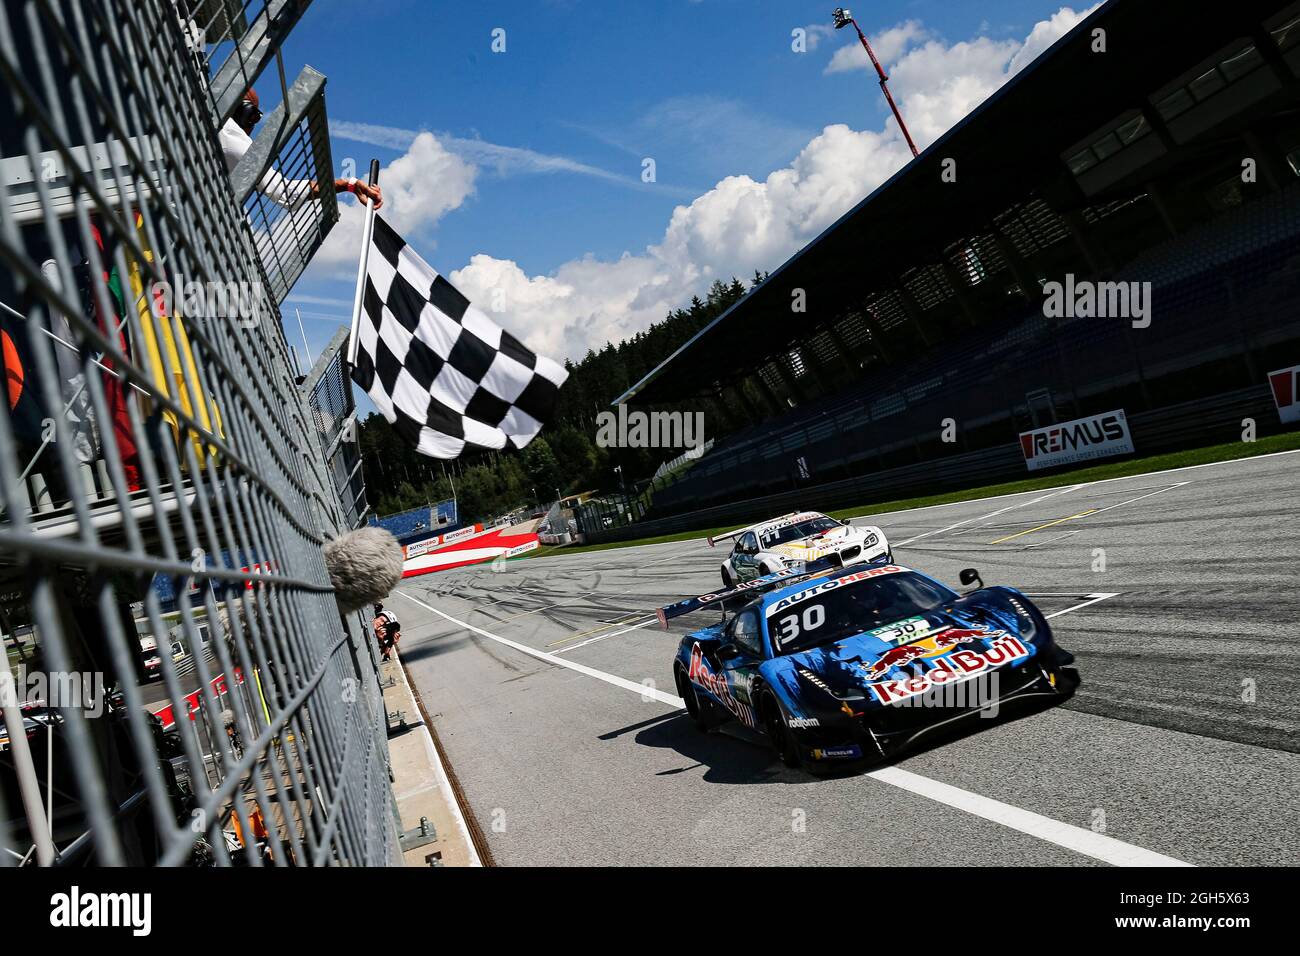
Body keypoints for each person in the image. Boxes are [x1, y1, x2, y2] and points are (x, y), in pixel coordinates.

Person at [219, 88, 384, 211]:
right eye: (254, 116)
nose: (254, 123)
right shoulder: (233, 137)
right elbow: (286, 192)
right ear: (244, 113)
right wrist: (348, 184)